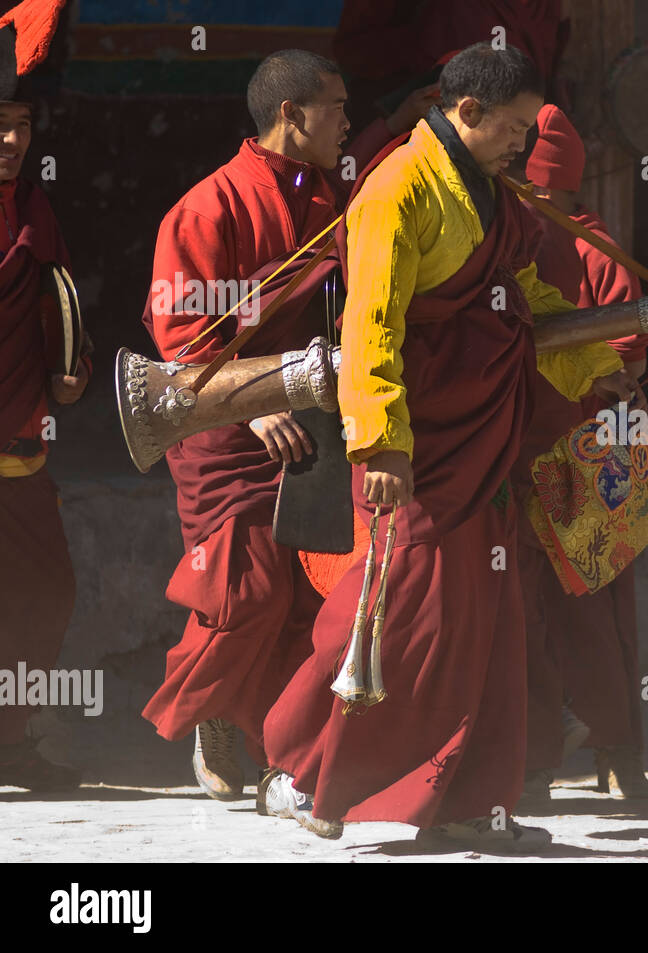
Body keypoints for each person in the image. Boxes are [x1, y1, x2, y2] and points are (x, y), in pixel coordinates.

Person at [262, 43, 630, 849]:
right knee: (402, 621)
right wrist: (382, 443)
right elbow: (371, 325)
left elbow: (526, 295)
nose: (522, 146)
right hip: (419, 449)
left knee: (486, 630)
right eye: (512, 128)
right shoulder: (397, 187)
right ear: (465, 113)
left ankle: (472, 802)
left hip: (482, 441)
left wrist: (594, 366)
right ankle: (307, 770)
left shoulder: (492, 193)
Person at [141, 49, 431, 806]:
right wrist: (254, 402)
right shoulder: (209, 208)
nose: (344, 120)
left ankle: (282, 742)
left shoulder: (326, 191)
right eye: (335, 107)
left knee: (310, 595)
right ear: (290, 115)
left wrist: (403, 123)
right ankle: (208, 710)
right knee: (248, 590)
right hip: (224, 423)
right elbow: (180, 335)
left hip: (310, 419)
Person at [516, 104, 648, 800]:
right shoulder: (603, 246)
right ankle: (612, 753)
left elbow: (622, 351)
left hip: (565, 447)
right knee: (595, 609)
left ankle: (549, 760)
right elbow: (630, 345)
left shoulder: (521, 239)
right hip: (590, 448)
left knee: (545, 608)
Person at [0, 19, 90, 790]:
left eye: (21, 127)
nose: (10, 142)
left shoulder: (34, 209)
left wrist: (72, 373)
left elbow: (59, 309)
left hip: (20, 446)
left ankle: (10, 737)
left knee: (42, 591)